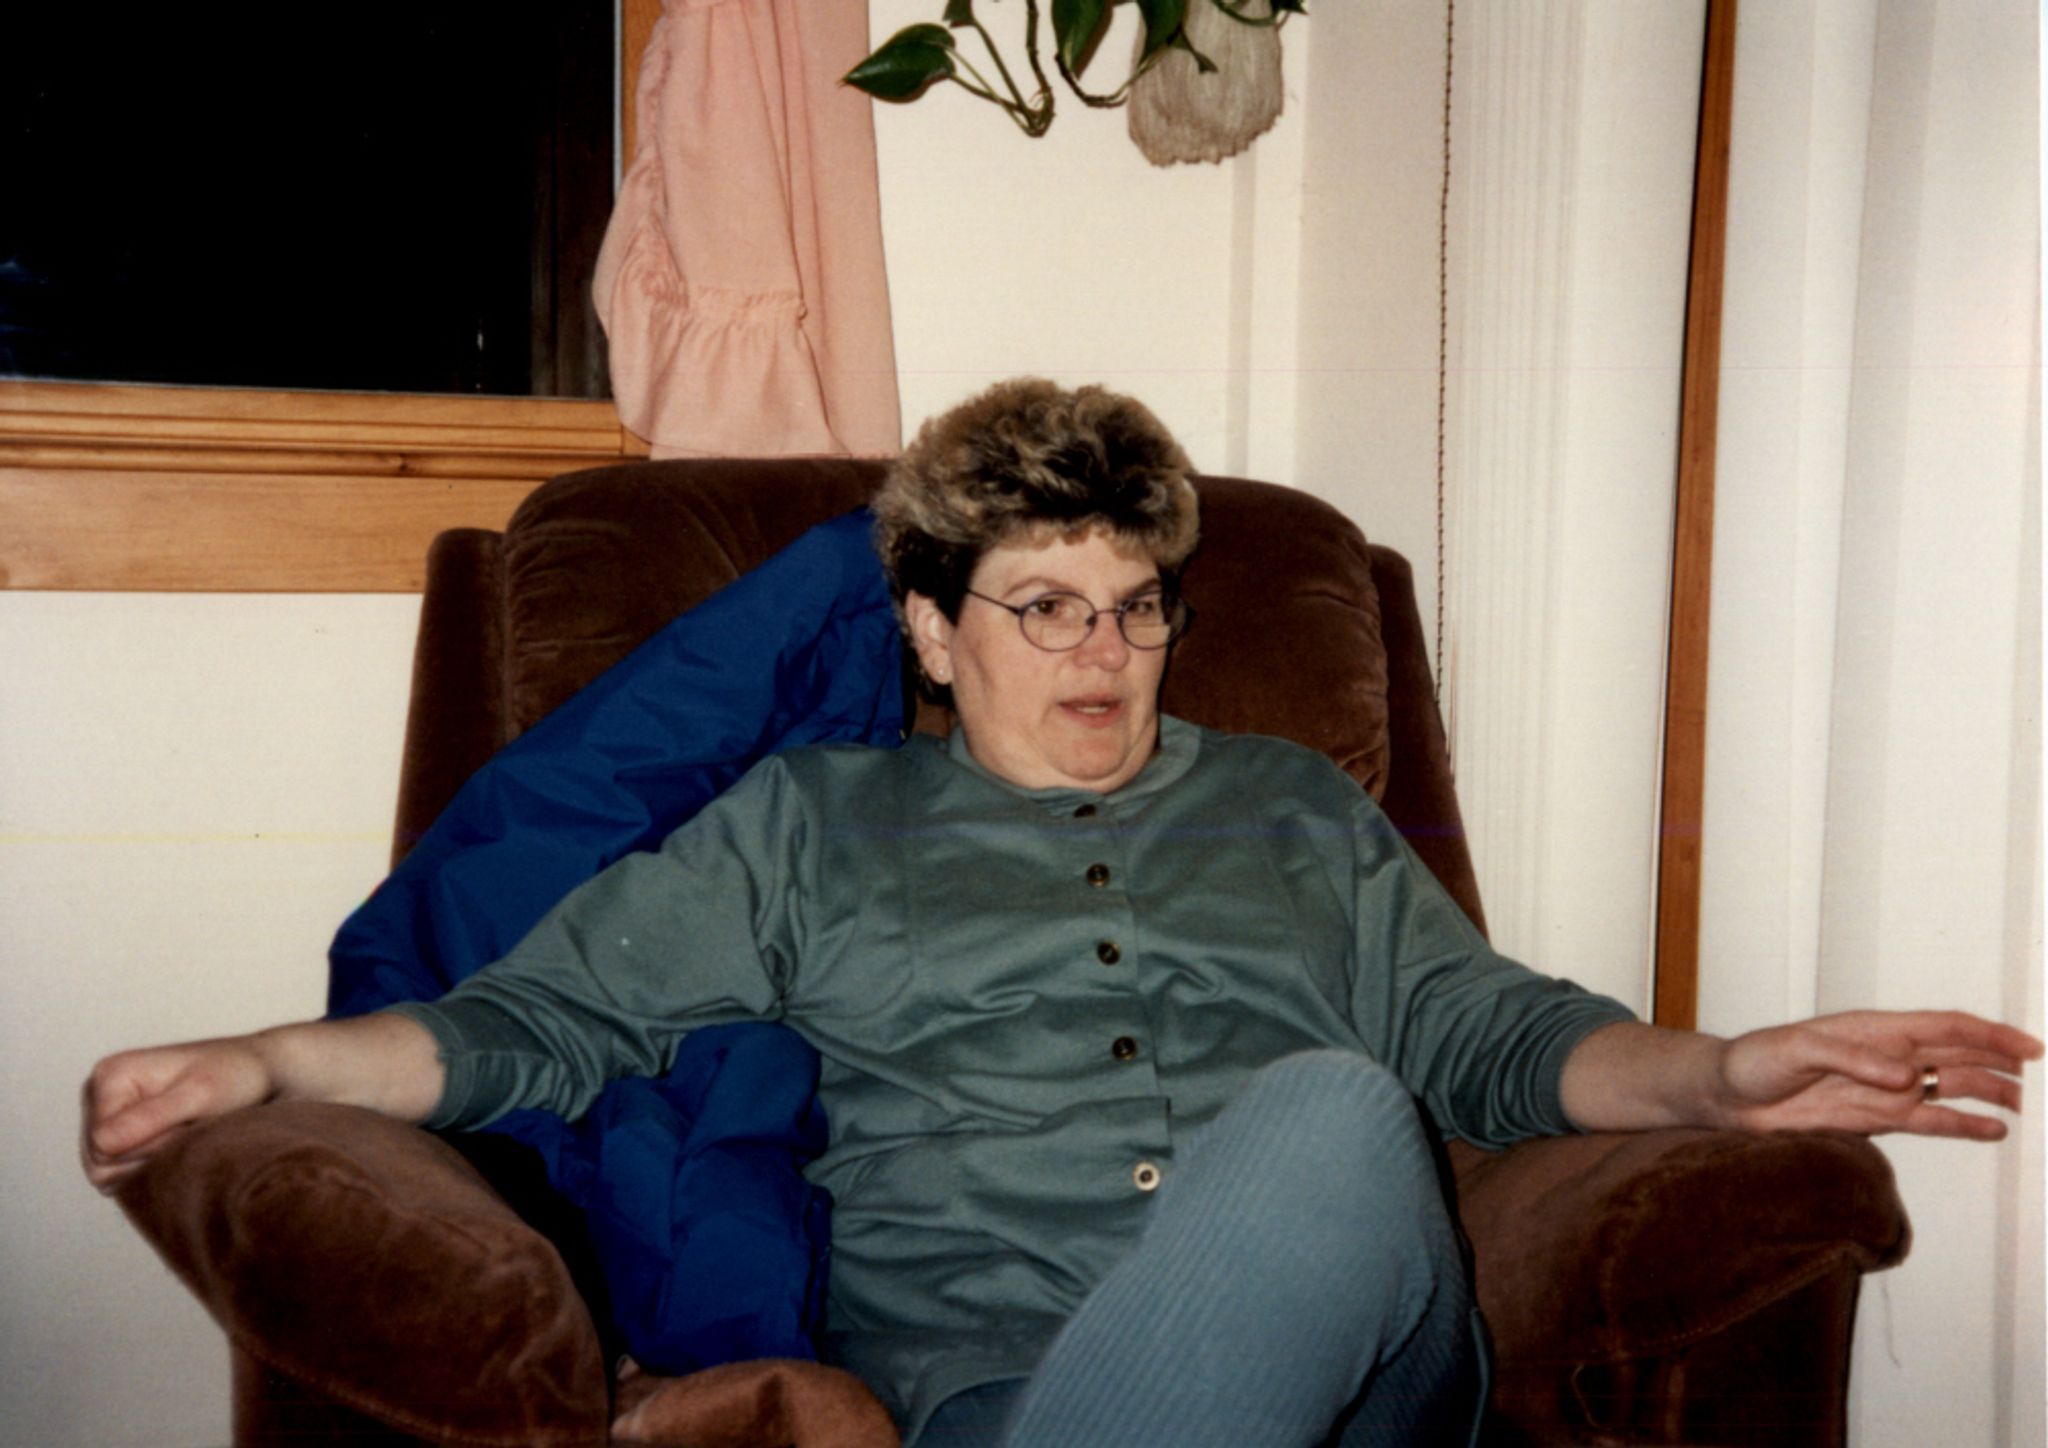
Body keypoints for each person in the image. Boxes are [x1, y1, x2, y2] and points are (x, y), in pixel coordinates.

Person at [84, 379, 2040, 1447]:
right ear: (932, 631)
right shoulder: (805, 824)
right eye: (1043, 606)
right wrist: (262, 1063)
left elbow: (1493, 1036)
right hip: (984, 1393)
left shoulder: (1292, 803)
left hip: (1363, 1369)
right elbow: (530, 1024)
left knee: (1338, 1112)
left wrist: (1720, 1072)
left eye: (1136, 605)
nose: (1104, 652)